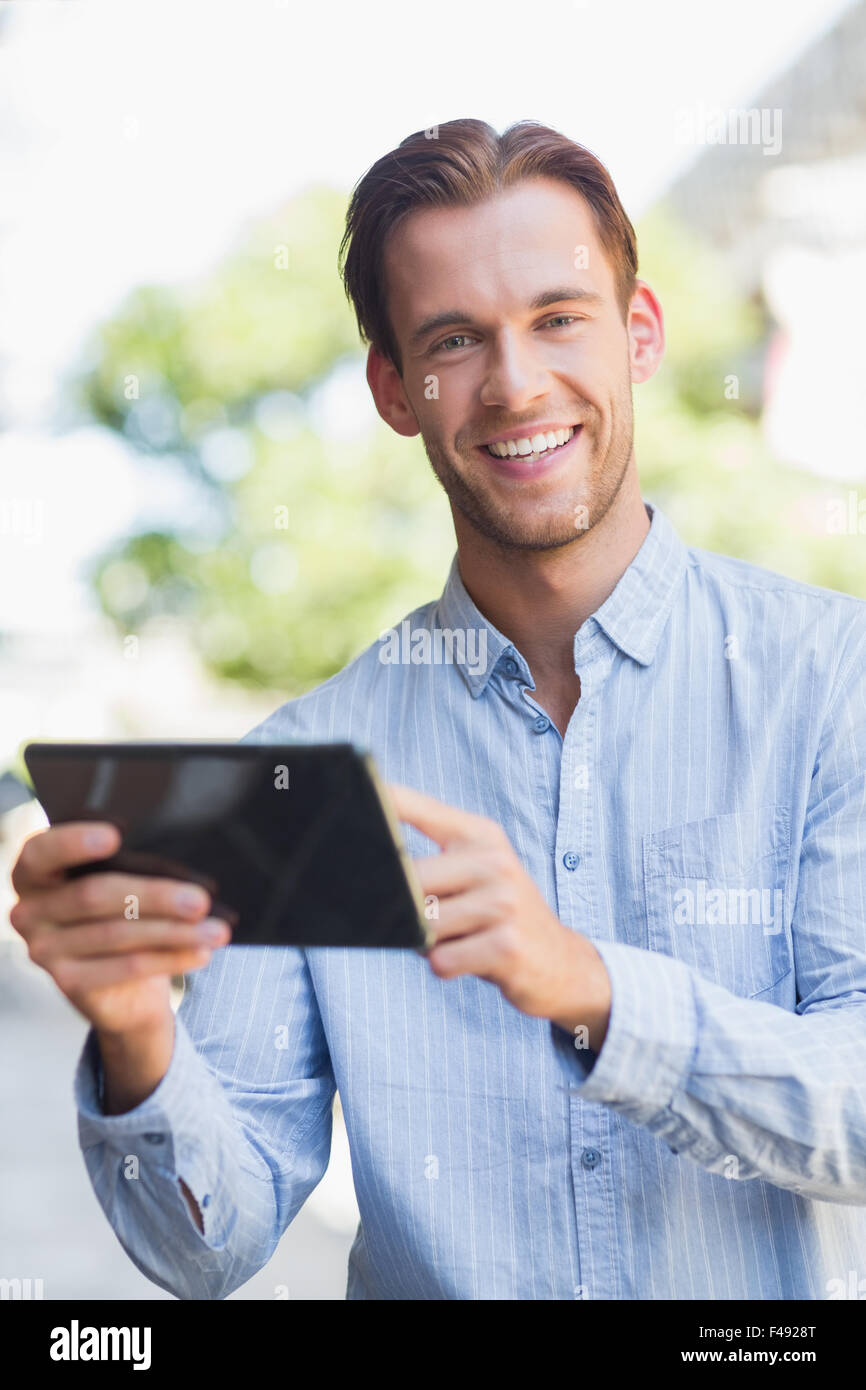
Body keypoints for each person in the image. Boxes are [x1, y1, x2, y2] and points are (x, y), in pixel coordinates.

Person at [11, 118, 866, 1301]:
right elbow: (206, 1250)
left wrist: (593, 989)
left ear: (639, 333)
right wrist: (133, 1033)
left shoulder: (834, 683)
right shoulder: (300, 766)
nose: (516, 385)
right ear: (392, 389)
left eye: (557, 317)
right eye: (455, 339)